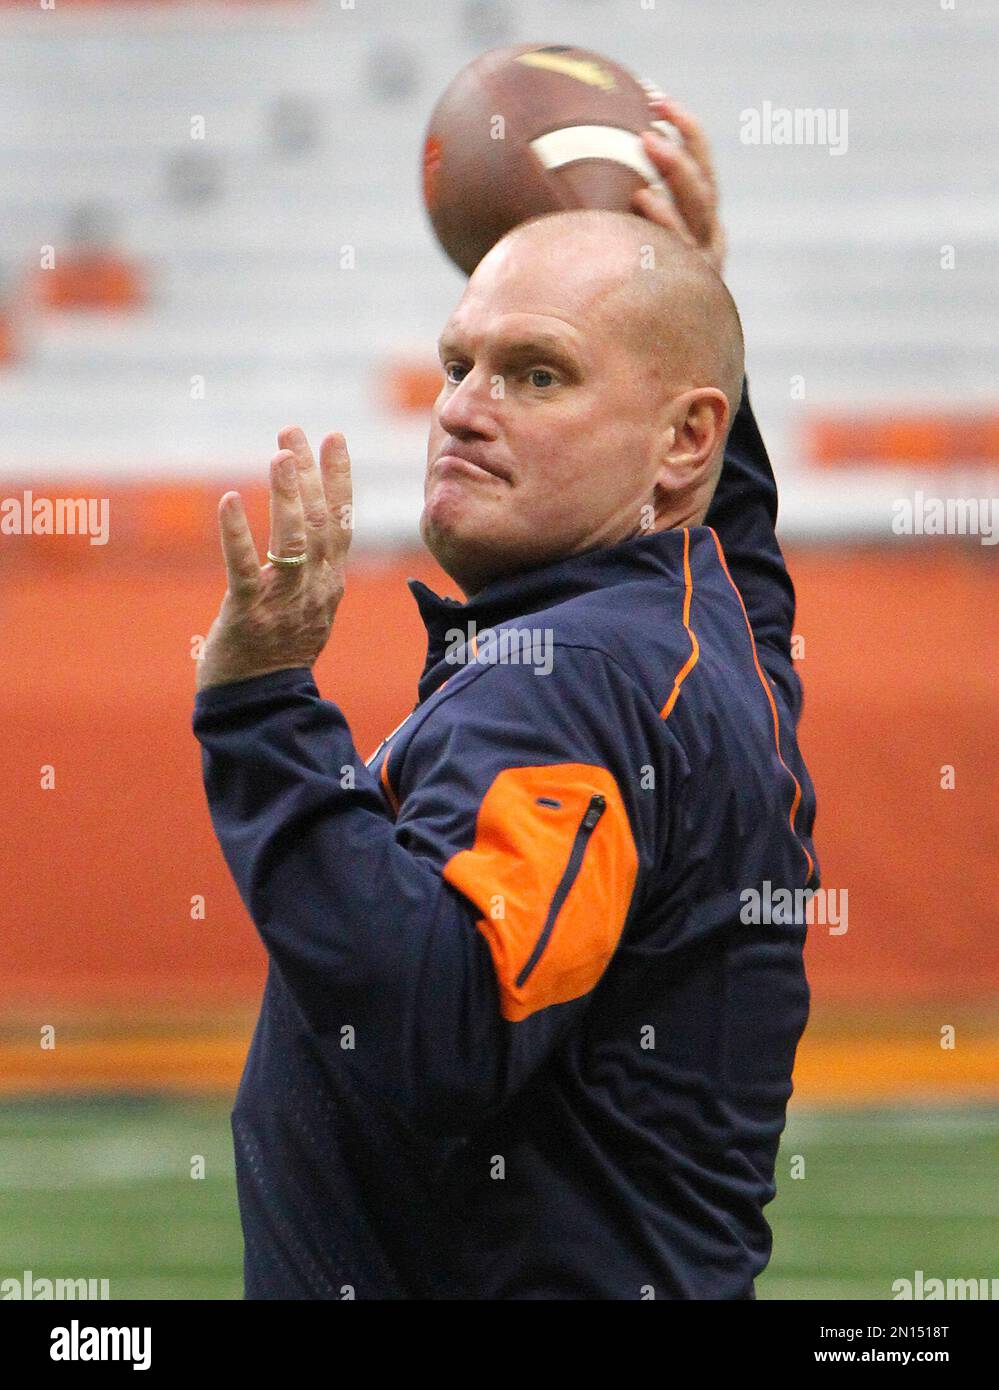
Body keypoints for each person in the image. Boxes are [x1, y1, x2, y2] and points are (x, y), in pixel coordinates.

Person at [192, 102, 818, 1299]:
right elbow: (740, 559)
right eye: (458, 363)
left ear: (685, 440)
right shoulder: (697, 634)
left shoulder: (571, 679)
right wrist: (683, 315)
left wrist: (261, 708)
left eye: (539, 373)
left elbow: (439, 1030)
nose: (464, 407)